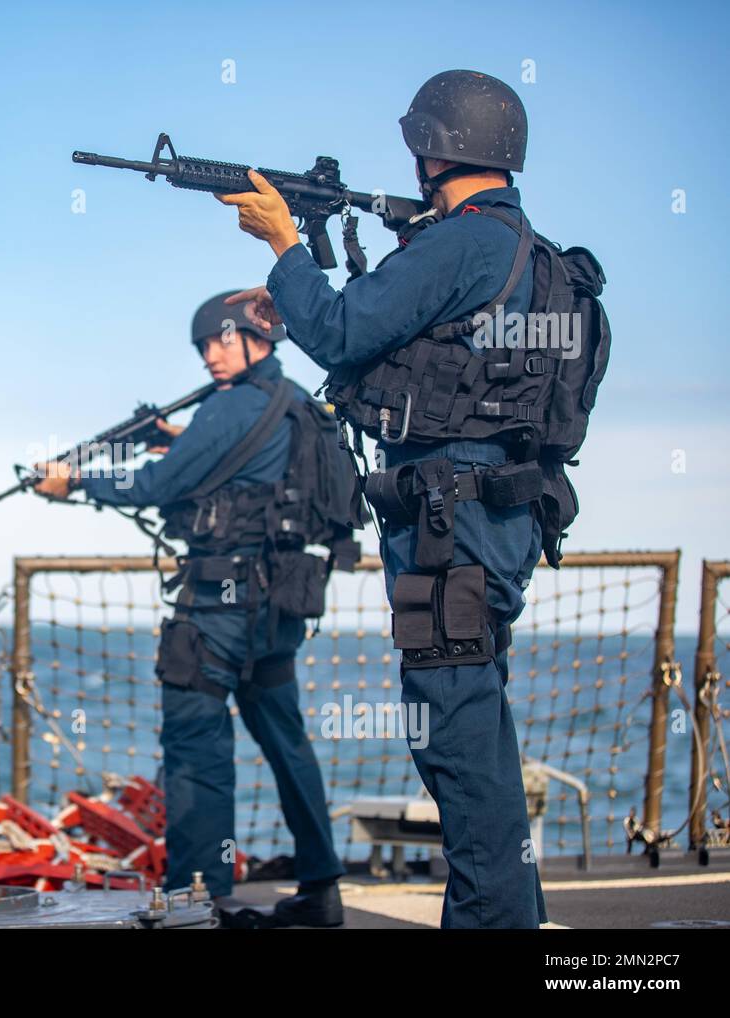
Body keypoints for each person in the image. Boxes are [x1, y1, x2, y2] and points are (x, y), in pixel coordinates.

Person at [216, 69, 553, 928]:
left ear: (433, 151)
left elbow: (335, 330)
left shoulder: (460, 246)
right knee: (473, 722)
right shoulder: (531, 256)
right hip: (502, 511)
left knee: (453, 736)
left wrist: (285, 245)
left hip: (449, 522)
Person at [32, 292, 349, 927]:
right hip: (279, 608)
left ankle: (199, 899)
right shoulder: (296, 408)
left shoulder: (229, 408)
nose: (209, 355)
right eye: (203, 346)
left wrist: (73, 485)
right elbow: (244, 467)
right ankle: (321, 887)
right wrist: (177, 437)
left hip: (216, 610)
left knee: (196, 747)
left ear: (254, 341)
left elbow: (155, 487)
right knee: (288, 744)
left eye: (220, 340)